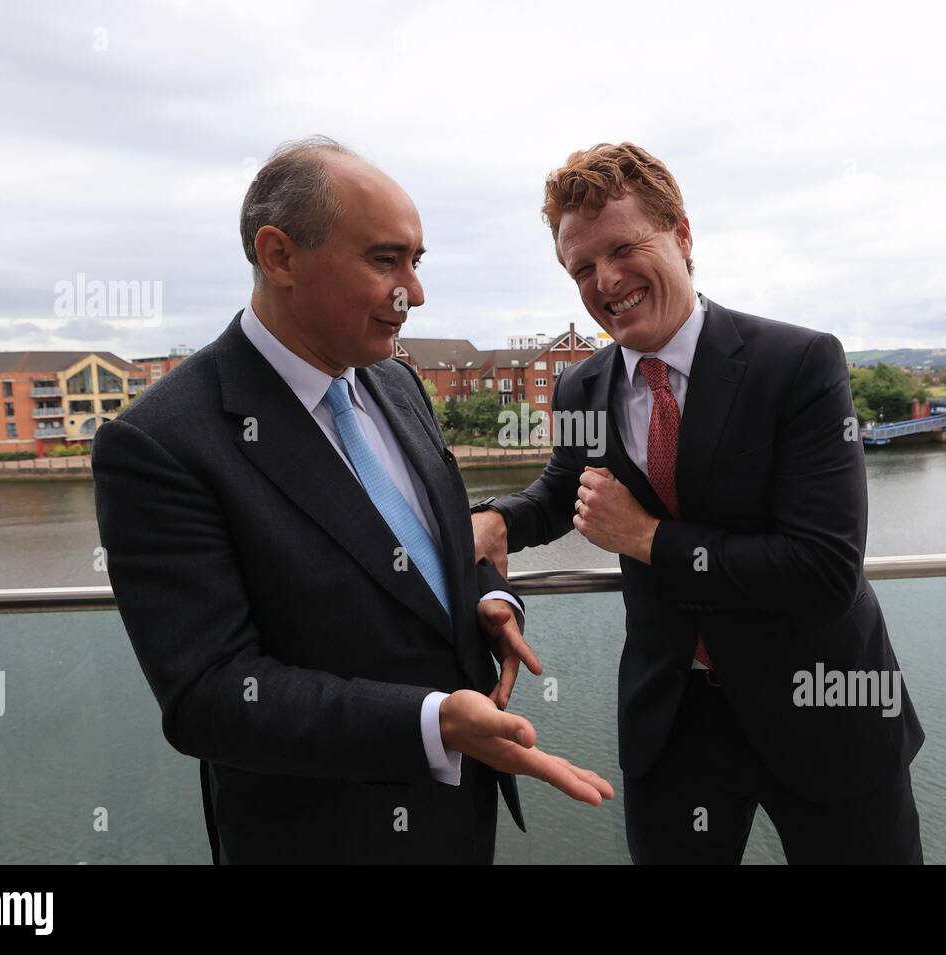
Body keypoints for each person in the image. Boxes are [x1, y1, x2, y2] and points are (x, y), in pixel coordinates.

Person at [93, 136, 612, 865]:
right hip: (319, 836)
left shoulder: (394, 382)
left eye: (417, 261)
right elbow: (210, 694)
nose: (416, 292)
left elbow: (425, 543)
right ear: (279, 256)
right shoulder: (161, 443)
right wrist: (433, 722)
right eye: (385, 260)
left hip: (458, 816)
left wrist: (482, 597)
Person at [472, 142, 923, 864]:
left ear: (682, 235)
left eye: (623, 247)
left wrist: (648, 539)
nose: (605, 280)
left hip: (823, 705)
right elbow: (566, 491)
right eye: (581, 267)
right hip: (675, 718)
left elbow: (824, 568)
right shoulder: (582, 387)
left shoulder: (798, 365)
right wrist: (501, 518)